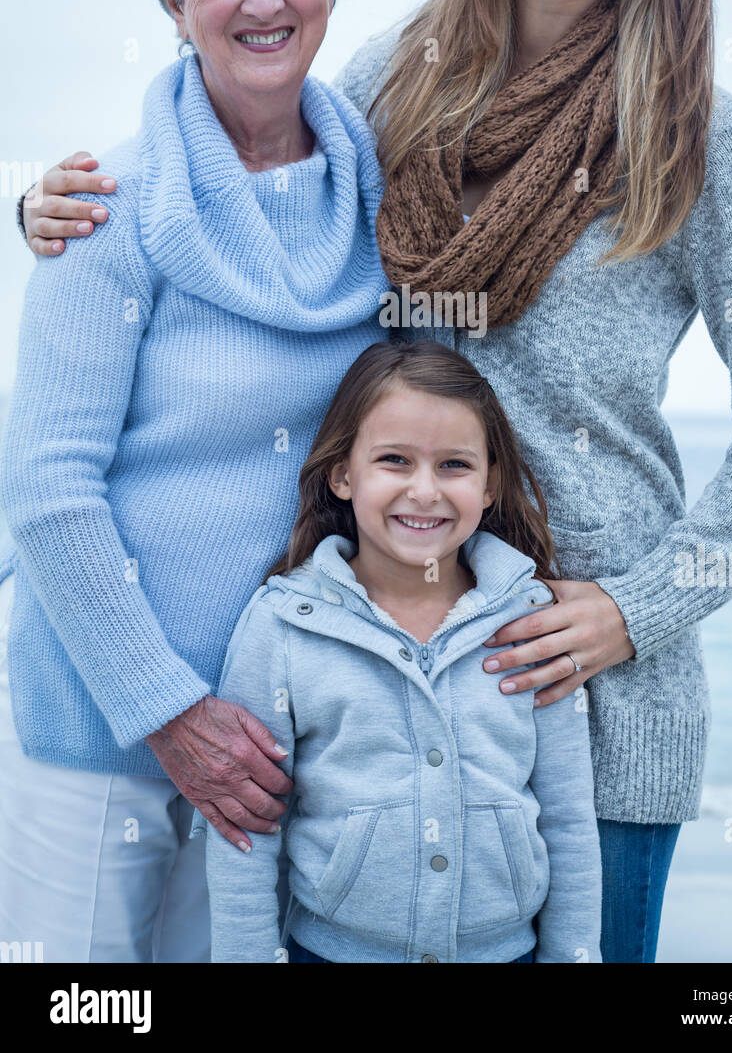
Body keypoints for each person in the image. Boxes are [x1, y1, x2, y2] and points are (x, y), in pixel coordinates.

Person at [12, 0, 732, 963]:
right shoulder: (395, 83)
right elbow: (243, 177)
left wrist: (640, 609)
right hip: (360, 696)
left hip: (584, 698)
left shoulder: (692, 132)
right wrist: (48, 205)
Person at [0, 0, 392, 962]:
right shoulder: (104, 208)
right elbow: (49, 489)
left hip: (281, 737)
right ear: (172, 4)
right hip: (99, 724)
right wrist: (167, 712)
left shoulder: (383, 207)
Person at [199, 338, 602, 964]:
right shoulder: (284, 624)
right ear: (342, 474)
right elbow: (246, 825)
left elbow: (570, 822)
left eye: (454, 466)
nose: (424, 491)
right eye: (394, 460)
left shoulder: (532, 622)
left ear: (491, 484)